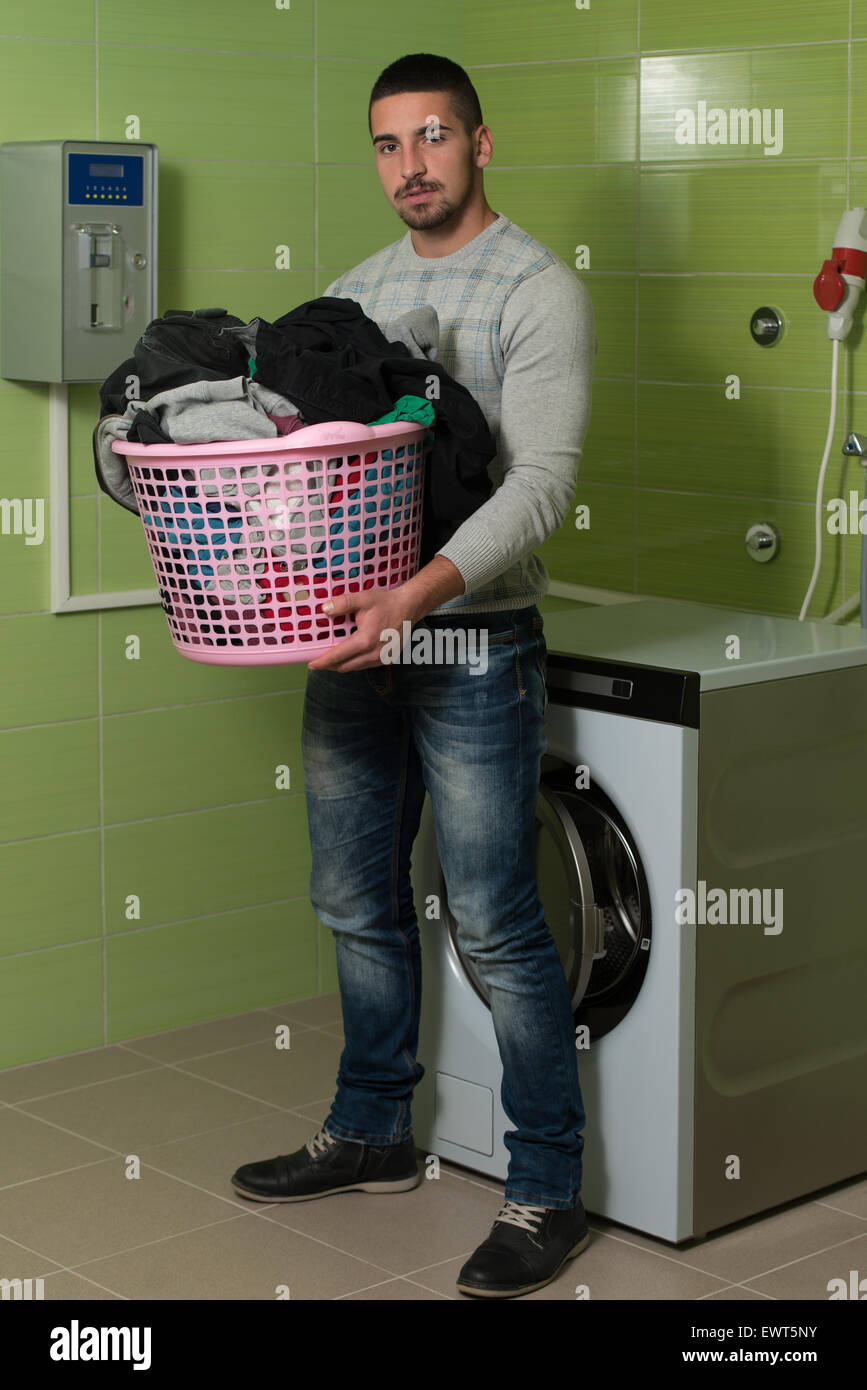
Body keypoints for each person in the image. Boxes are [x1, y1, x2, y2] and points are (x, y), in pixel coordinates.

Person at [232, 51, 597, 1300]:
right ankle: (374, 1129)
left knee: (495, 921)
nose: (411, 166)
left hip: (471, 640)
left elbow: (540, 490)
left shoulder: (536, 290)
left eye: (433, 138)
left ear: (480, 145)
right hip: (349, 640)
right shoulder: (354, 294)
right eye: (388, 145)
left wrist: (417, 597)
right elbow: (316, 471)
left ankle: (545, 1185)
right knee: (354, 896)